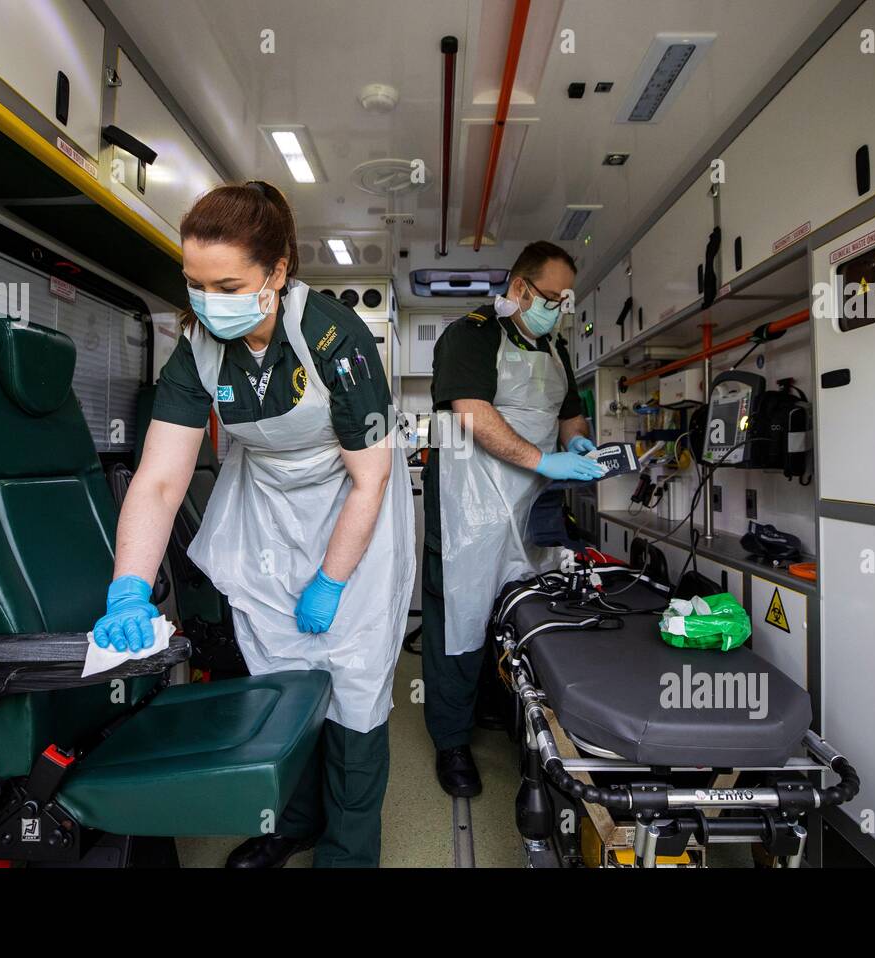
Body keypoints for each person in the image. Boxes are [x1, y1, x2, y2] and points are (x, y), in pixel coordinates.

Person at [92, 181, 414, 868]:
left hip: (354, 504)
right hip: (267, 508)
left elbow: (372, 476)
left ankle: (348, 850)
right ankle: (290, 821)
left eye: (228, 284)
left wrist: (331, 579)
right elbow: (158, 478)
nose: (209, 303)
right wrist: (128, 585)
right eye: (194, 283)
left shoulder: (336, 336)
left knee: (354, 685)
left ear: (277, 271)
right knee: (281, 672)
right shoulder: (198, 348)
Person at [421, 240, 603, 796]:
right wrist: (543, 458)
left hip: (531, 508)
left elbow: (569, 416)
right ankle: (451, 740)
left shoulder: (555, 349)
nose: (557, 307)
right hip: (467, 506)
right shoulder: (470, 335)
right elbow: (473, 415)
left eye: (564, 299)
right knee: (460, 615)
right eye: (550, 296)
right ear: (520, 288)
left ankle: (496, 706)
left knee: (519, 611)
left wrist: (581, 446)